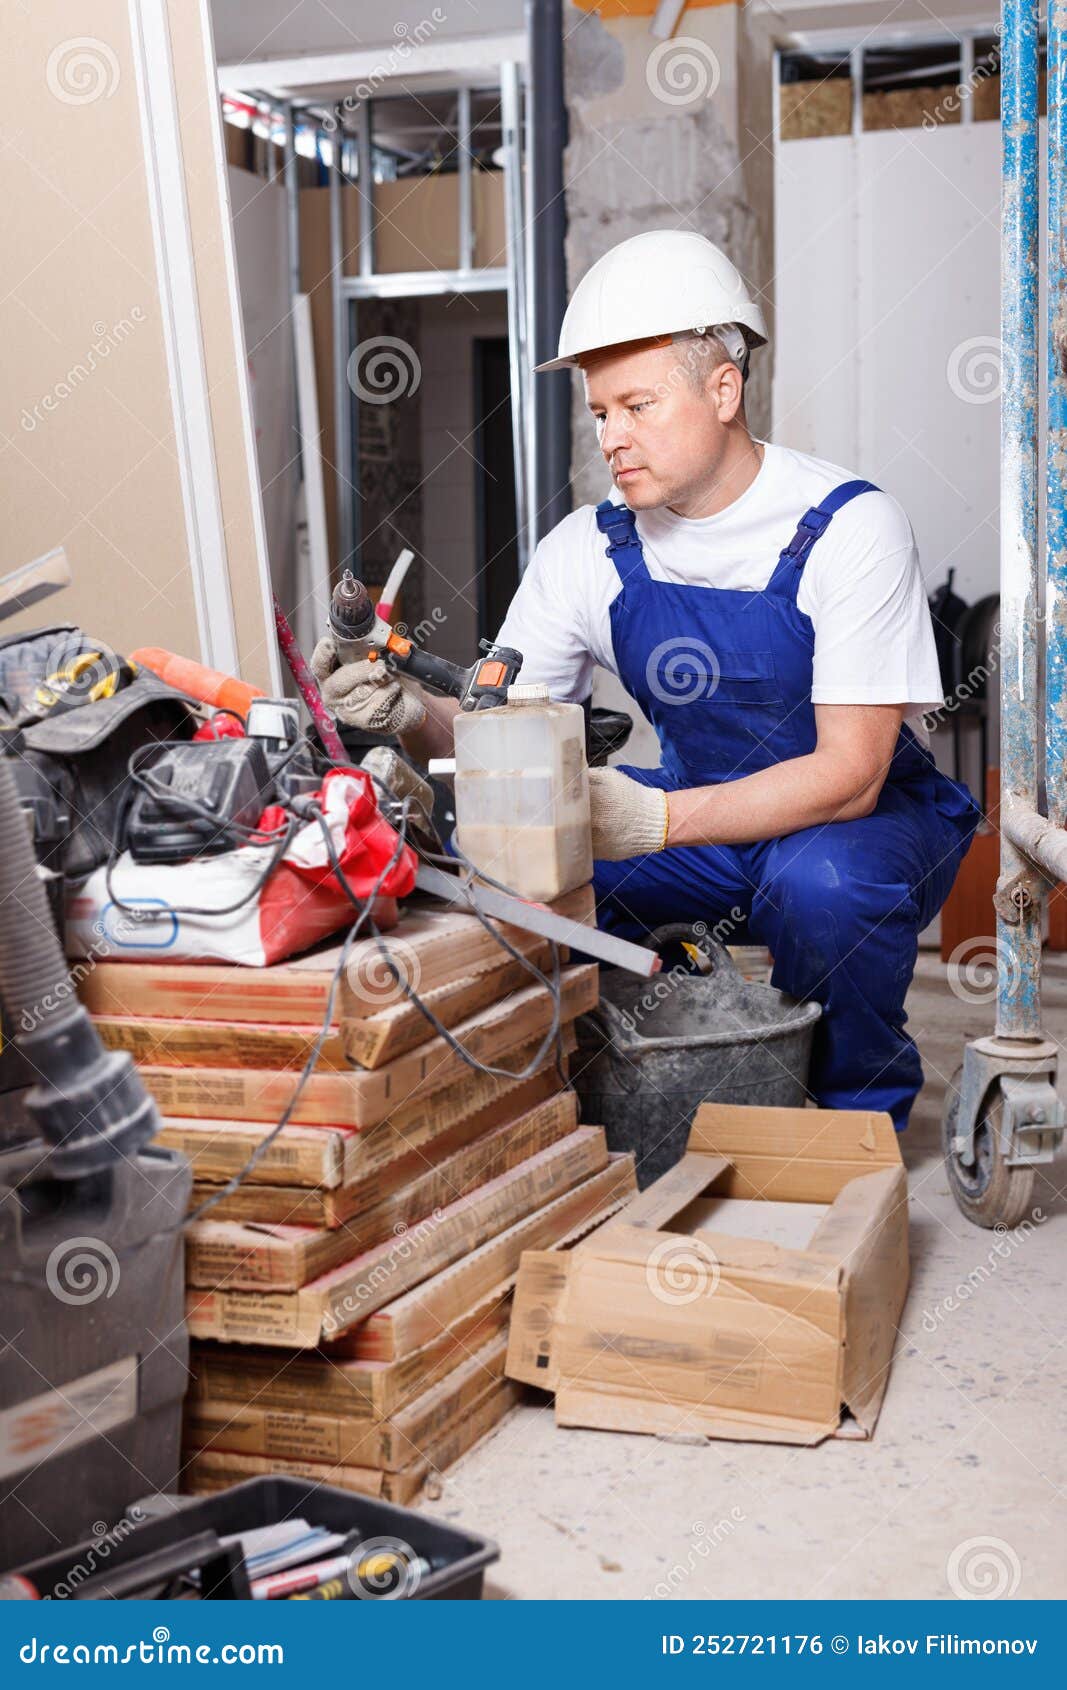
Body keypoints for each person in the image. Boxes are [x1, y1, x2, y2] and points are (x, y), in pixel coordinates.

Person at [312, 230, 979, 1130]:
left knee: (819, 890)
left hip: (864, 822)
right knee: (514, 868)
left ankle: (843, 1123)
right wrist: (407, 715)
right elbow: (502, 730)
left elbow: (851, 775)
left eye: (636, 405)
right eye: (598, 412)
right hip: (705, 807)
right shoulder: (587, 547)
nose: (611, 440)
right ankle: (630, 1083)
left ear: (723, 389)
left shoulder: (848, 526)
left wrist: (653, 818)